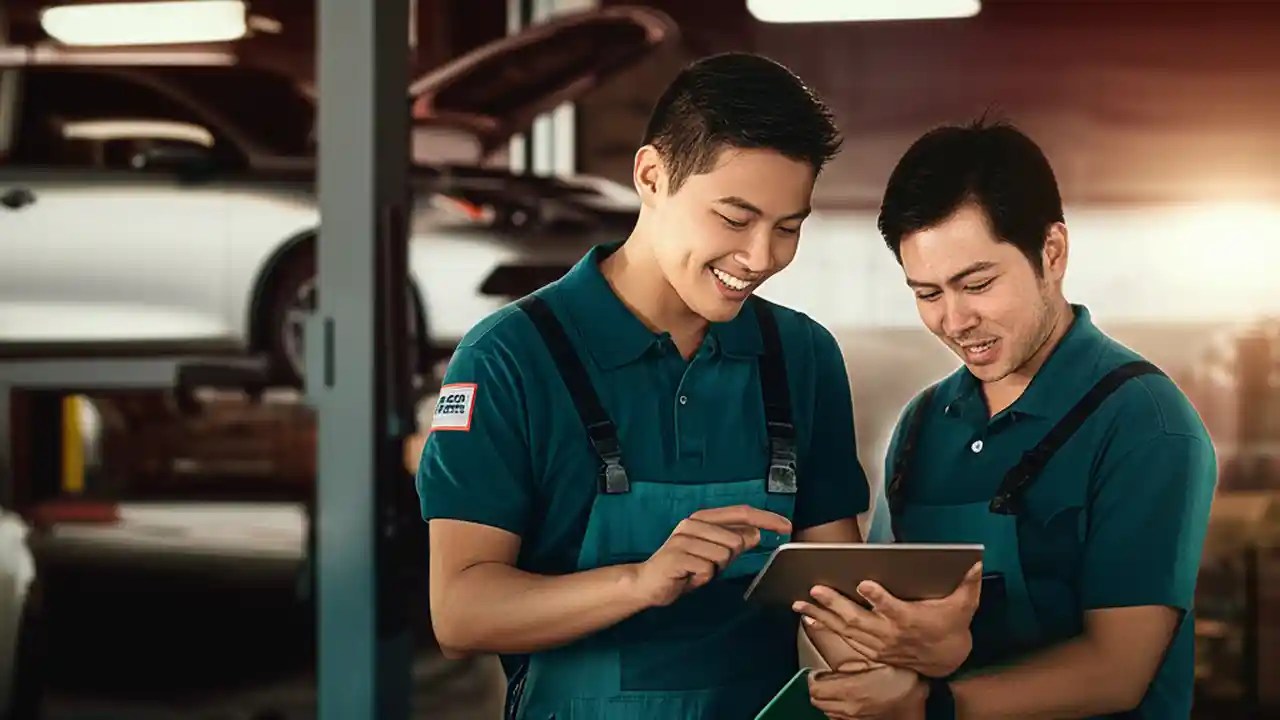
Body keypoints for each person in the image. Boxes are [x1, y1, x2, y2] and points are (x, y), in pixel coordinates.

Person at [415, 52, 937, 719]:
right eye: (734, 217)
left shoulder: (800, 357)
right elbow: (459, 612)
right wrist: (639, 582)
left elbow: (830, 592)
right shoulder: (510, 360)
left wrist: (882, 673)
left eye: (788, 228)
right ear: (652, 176)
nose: (759, 258)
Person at [796, 118, 1218, 719]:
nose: (954, 320)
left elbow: (1117, 669)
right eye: (928, 293)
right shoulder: (922, 424)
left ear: (1052, 252)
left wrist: (928, 703)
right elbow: (880, 613)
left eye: (978, 283)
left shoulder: (1144, 423)